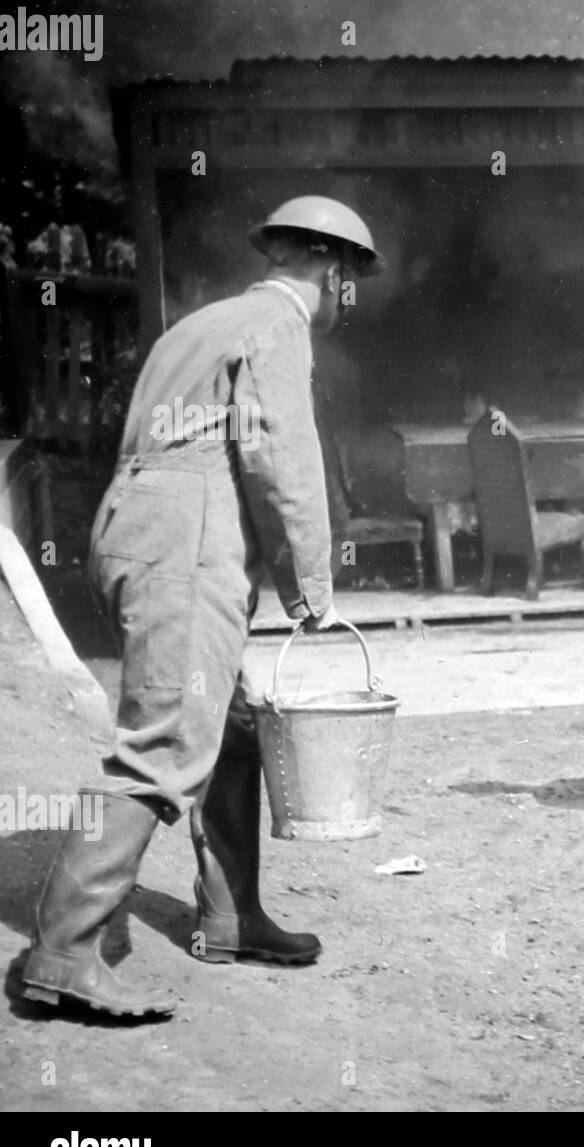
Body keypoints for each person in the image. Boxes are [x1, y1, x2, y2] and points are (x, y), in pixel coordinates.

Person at [23, 196, 384, 1019]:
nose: (347, 295)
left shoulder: (201, 324)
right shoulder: (281, 329)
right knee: (165, 747)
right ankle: (65, 950)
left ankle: (230, 917)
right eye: (349, 279)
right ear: (329, 271)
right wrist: (311, 589)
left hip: (134, 533)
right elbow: (278, 457)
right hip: (185, 549)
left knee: (229, 725)